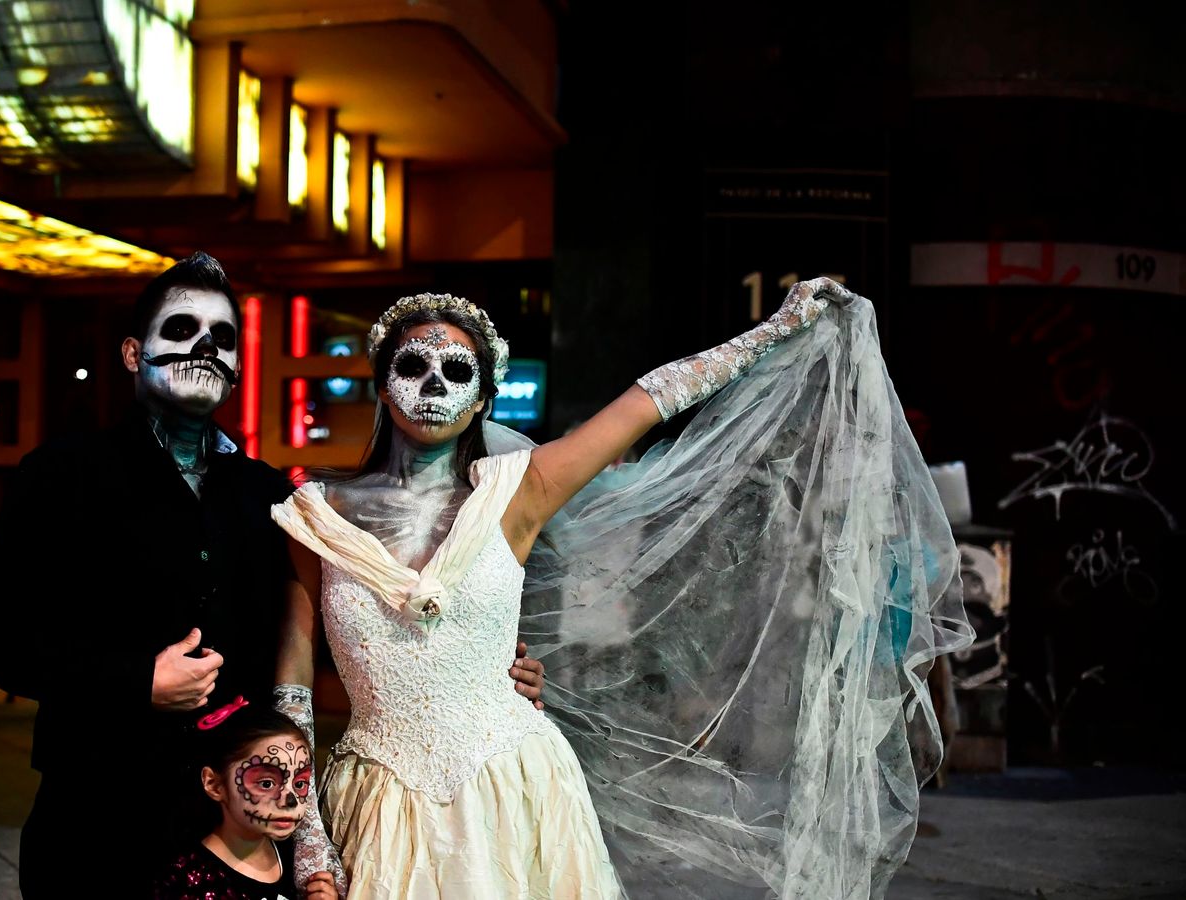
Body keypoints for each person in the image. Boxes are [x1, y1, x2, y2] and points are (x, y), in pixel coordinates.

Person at [269, 280, 971, 897]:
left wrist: (777, 326)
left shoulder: (521, 492)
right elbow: (293, 682)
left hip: (516, 792)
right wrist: (308, 846)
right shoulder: (317, 516)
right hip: (380, 803)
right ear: (379, 381)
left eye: (456, 370)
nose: (432, 384)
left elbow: (648, 402)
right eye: (411, 365)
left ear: (485, 396)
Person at [0, 251, 547, 896]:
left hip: (235, 826)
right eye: (181, 330)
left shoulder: (268, 495)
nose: (205, 347)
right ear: (134, 354)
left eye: (224, 337)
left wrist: (481, 662)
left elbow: (332, 624)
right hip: (100, 811)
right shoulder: (61, 475)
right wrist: (135, 680)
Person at [153, 697, 339, 900]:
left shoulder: (295, 854)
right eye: (267, 783)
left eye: (299, 783)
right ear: (214, 784)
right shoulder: (188, 883)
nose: (290, 800)